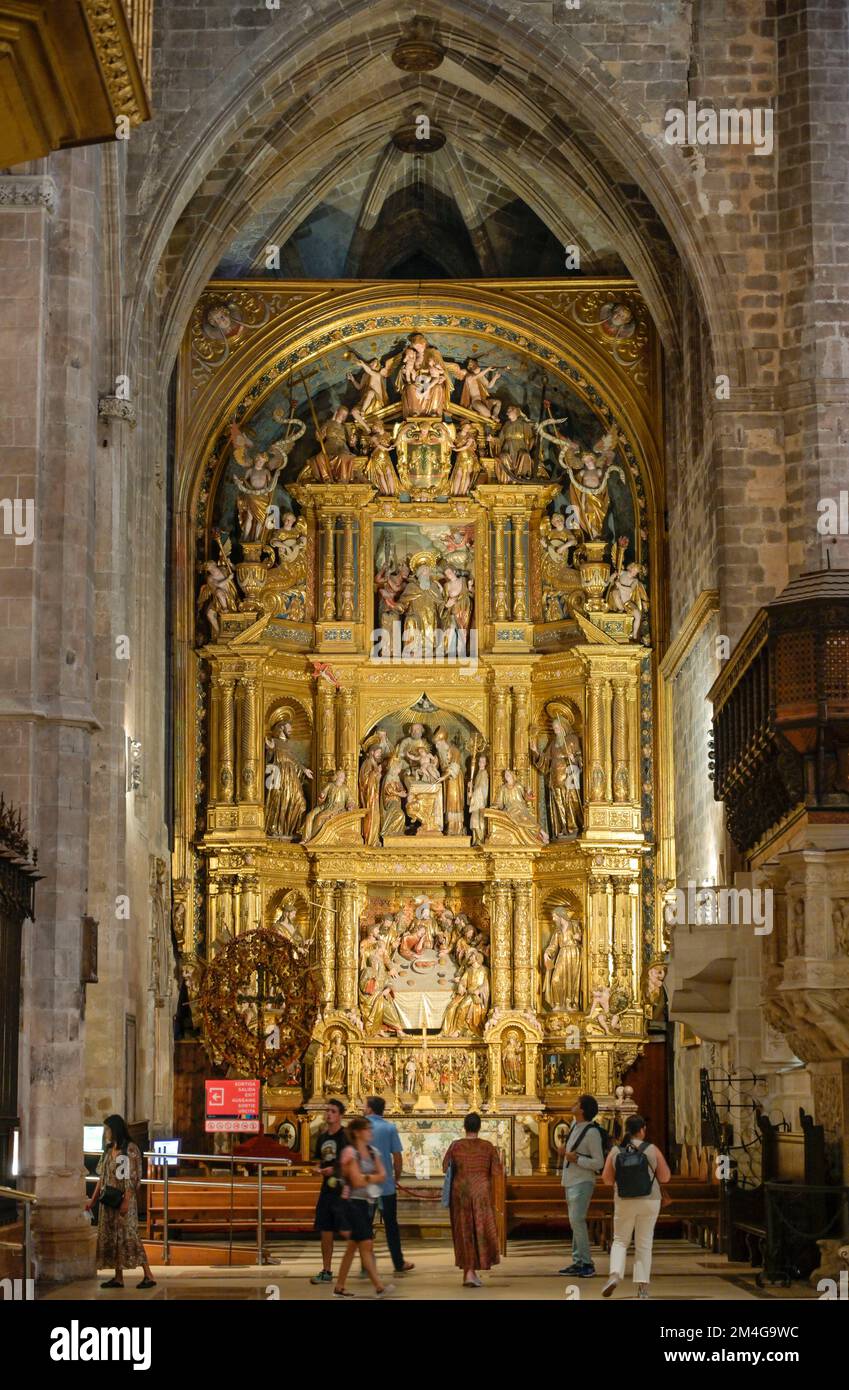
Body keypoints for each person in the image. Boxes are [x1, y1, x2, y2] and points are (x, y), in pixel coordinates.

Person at [601, 1113, 671, 1300]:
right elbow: (665, 1177)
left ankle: (615, 1275)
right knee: (644, 1244)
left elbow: (606, 1180)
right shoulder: (652, 1149)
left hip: (624, 1200)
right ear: (642, 1130)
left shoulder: (616, 1151)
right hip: (650, 1200)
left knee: (620, 1241)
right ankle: (642, 1289)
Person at [85, 1114, 156, 1290]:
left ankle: (148, 1274)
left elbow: (131, 1178)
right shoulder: (109, 1150)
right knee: (112, 1237)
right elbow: (102, 1177)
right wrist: (92, 1200)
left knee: (129, 1235)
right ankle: (118, 1278)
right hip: (108, 1200)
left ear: (115, 1129)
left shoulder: (129, 1149)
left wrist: (126, 1200)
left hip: (124, 1200)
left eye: (107, 1129)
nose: (105, 1133)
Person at [332, 1117, 395, 1299]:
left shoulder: (373, 1152)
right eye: (367, 1129)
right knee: (366, 1243)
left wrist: (366, 1177)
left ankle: (339, 1286)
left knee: (353, 1246)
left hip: (365, 1202)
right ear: (357, 1132)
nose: (370, 1132)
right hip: (351, 1203)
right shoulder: (350, 1153)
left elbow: (383, 1174)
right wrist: (370, 1177)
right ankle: (379, 1287)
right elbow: (357, 1181)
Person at [442, 1112, 500, 1287]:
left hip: (461, 1192)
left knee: (464, 1231)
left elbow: (445, 1167)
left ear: (464, 1126)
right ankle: (471, 1272)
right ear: (479, 1127)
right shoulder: (488, 1146)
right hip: (481, 1192)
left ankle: (469, 1272)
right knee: (480, 1230)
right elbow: (497, 1171)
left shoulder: (456, 1146)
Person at [363, 1096, 415, 1277]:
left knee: (365, 1225)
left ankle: (365, 1265)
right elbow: (397, 1157)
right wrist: (396, 1177)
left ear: (369, 1109)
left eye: (364, 1105)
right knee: (391, 1225)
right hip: (385, 1185)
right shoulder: (389, 1128)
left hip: (365, 1185)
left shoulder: (360, 1127)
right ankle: (398, 1262)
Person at [556, 1093, 605, 1278]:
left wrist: (577, 1158)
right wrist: (565, 1153)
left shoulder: (592, 1132)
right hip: (571, 1179)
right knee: (574, 1222)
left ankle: (587, 1263)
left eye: (576, 1103)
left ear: (582, 1109)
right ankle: (578, 1261)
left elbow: (598, 1162)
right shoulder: (575, 1125)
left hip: (583, 1181)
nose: (572, 1104)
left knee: (577, 1220)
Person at [309, 1099, 349, 1284]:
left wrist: (335, 1170)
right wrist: (317, 1168)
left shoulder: (345, 1136)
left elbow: (350, 1161)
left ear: (340, 1115)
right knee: (325, 1229)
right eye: (327, 1111)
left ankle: (367, 1260)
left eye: (332, 1111)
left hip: (342, 1188)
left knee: (346, 1230)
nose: (328, 1114)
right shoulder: (322, 1137)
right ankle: (326, 1269)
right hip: (326, 1189)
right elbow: (319, 1159)